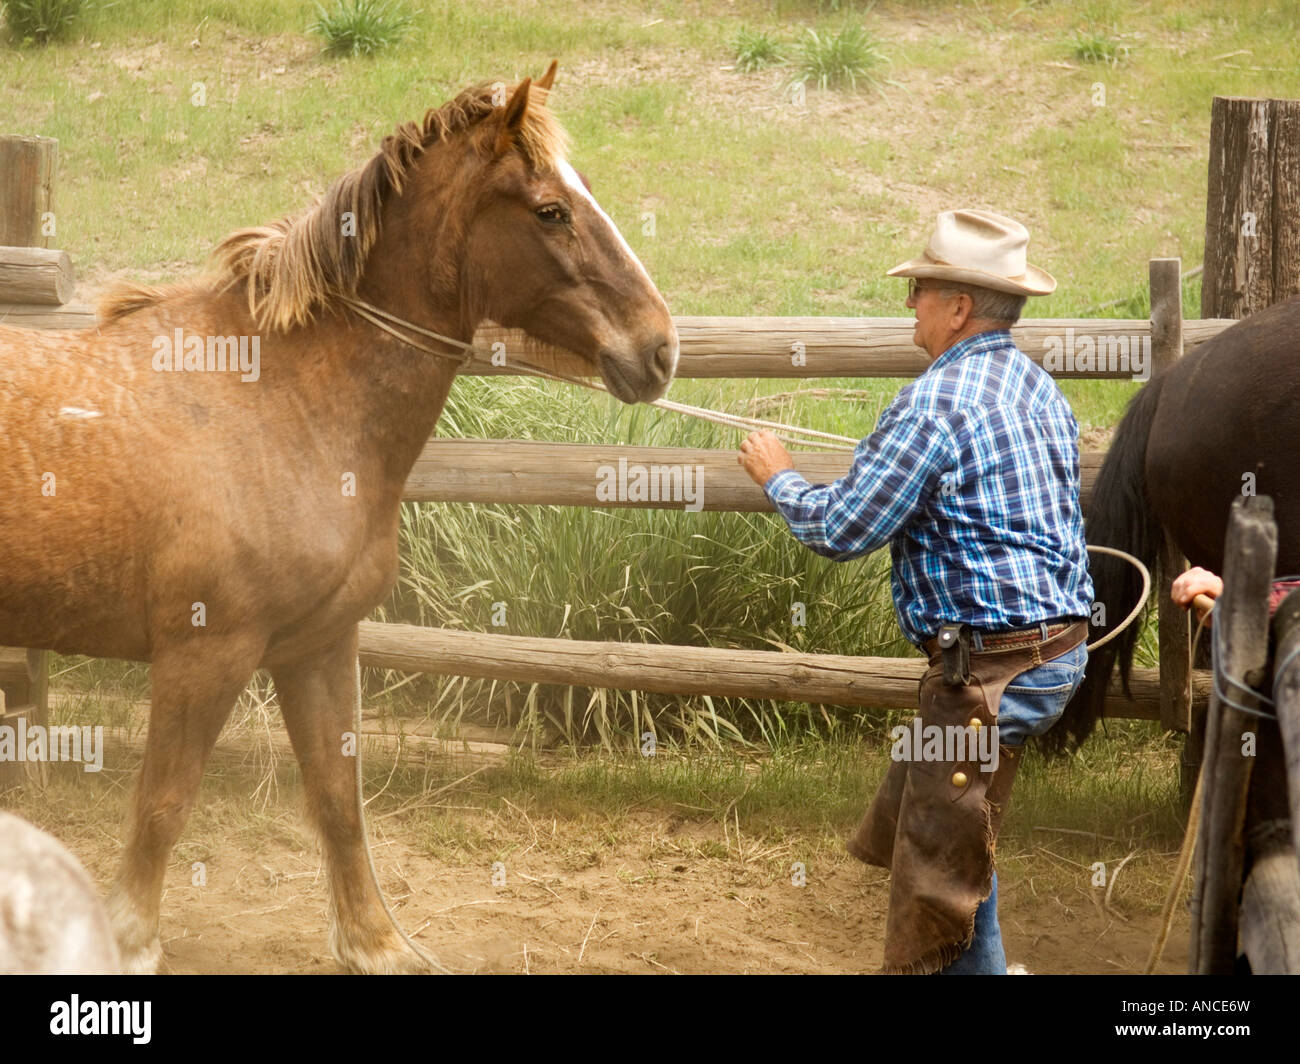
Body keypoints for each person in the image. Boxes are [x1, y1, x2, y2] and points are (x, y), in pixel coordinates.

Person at [737, 208, 1094, 974]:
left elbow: (842, 529)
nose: (911, 305)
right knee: (962, 832)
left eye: (922, 289)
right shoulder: (1037, 387)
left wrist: (779, 476)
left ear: (959, 307)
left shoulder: (934, 402)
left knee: (934, 879)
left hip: (988, 676)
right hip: (1056, 653)